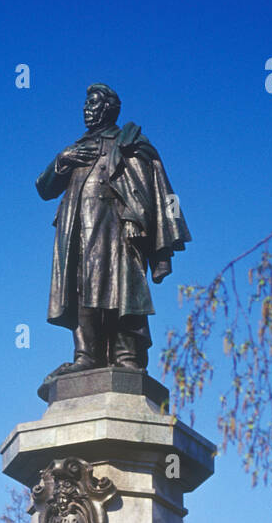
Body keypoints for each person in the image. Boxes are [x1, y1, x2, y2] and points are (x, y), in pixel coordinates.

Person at [36, 83, 191, 381]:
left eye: (93, 104)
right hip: (76, 229)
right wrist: (62, 160)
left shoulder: (130, 142)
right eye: (85, 104)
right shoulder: (75, 148)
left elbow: (155, 189)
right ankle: (85, 355)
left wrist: (139, 219)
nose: (86, 109)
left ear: (109, 109)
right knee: (80, 286)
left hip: (117, 229)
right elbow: (44, 189)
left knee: (122, 288)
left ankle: (126, 356)